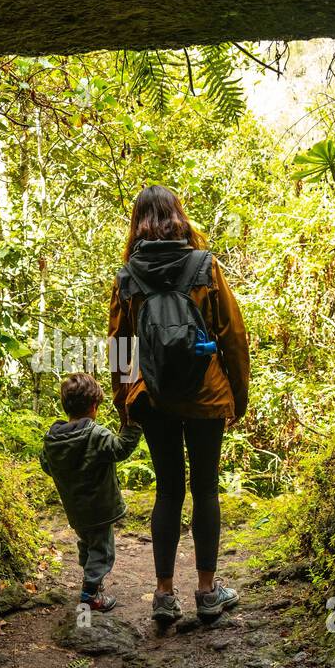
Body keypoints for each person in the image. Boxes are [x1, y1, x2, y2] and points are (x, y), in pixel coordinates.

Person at [109, 185, 250, 626]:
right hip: (206, 394)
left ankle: (164, 595)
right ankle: (208, 592)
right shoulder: (205, 267)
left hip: (153, 396)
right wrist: (237, 397)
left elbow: (118, 346)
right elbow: (233, 335)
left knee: (168, 490)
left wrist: (124, 402)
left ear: (139, 225)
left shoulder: (128, 276)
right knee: (205, 489)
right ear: (179, 218)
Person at [40, 372, 142, 612]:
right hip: (99, 509)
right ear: (94, 406)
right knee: (103, 550)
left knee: (87, 543)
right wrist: (133, 425)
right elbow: (121, 448)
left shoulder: (53, 439)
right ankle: (90, 594)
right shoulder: (96, 435)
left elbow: (46, 465)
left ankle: (90, 580)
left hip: (75, 510)